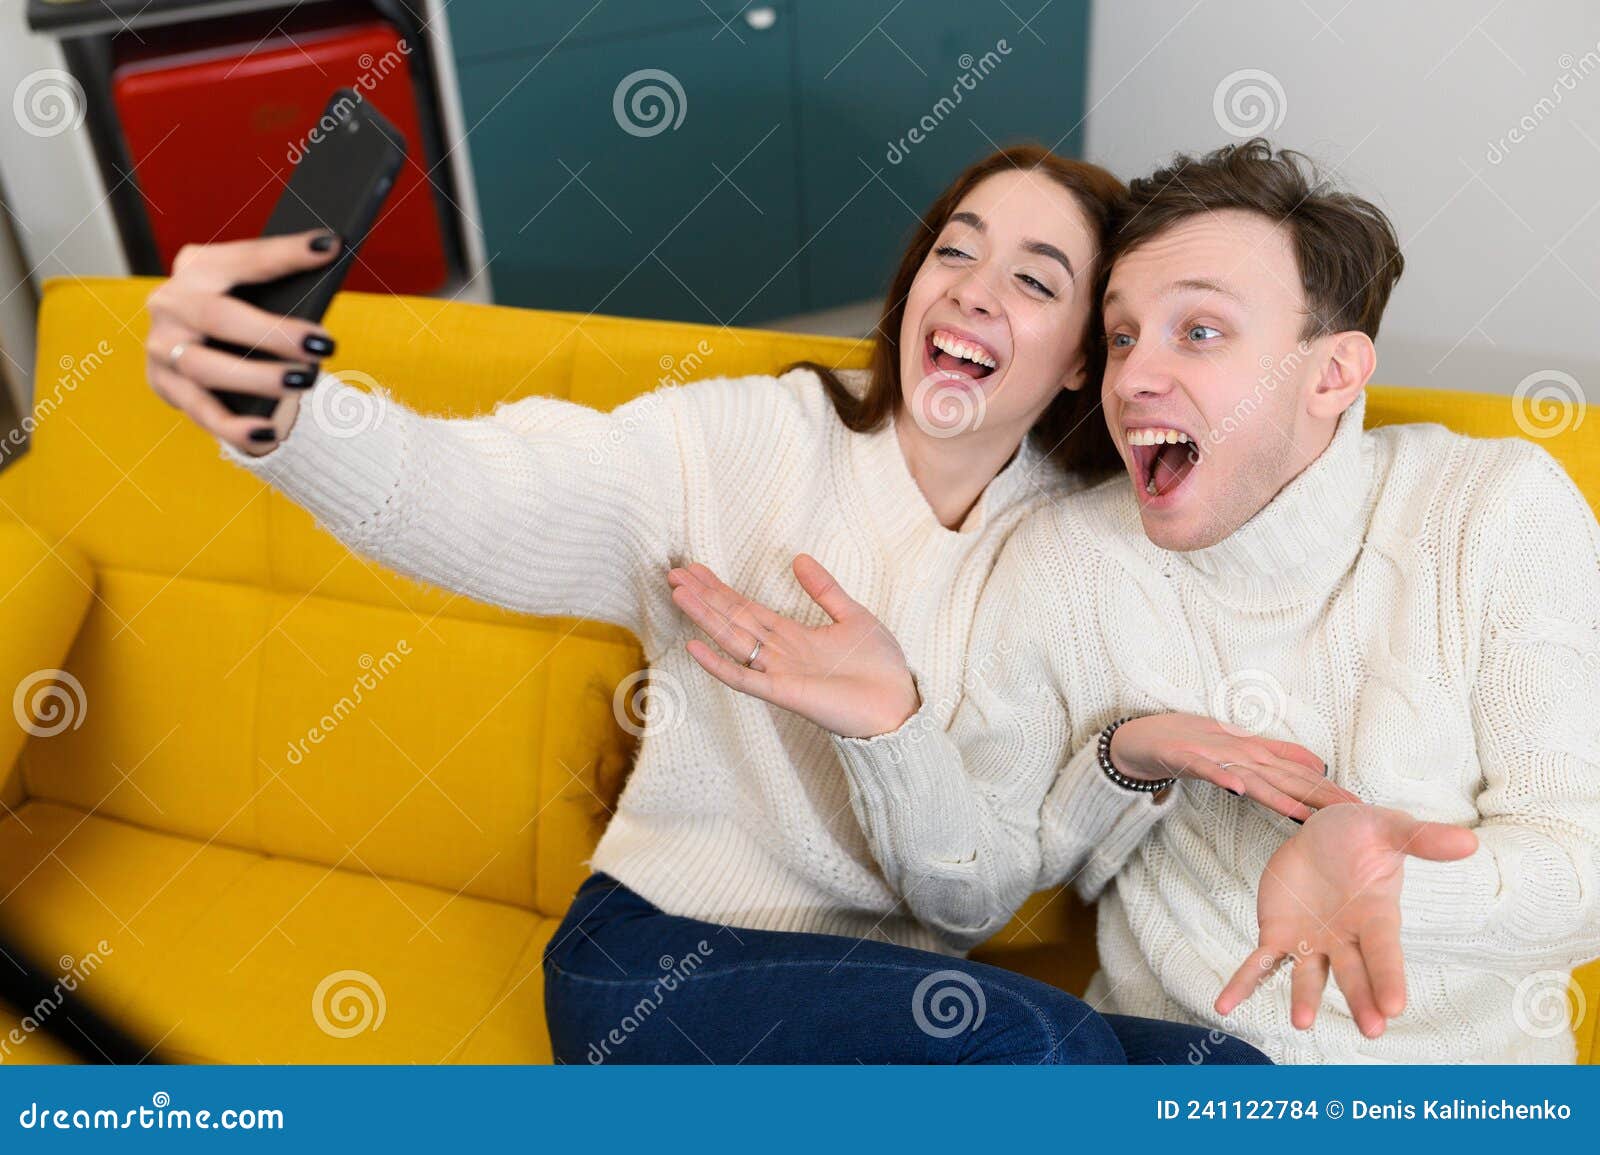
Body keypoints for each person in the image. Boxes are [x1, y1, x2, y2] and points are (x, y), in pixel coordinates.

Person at [143, 145, 1332, 1063]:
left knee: (1229, 1080)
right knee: (1028, 1050)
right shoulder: (747, 437)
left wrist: (888, 724)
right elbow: (486, 494)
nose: (972, 291)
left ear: (1082, 357)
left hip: (890, 1004)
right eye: (954, 251)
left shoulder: (1065, 556)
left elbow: (966, 898)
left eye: (1033, 280)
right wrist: (285, 416)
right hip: (651, 960)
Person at [674, 139, 1600, 1063]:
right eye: (1121, 336)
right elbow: (979, 890)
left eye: (1199, 331)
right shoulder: (1071, 560)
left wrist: (1393, 886)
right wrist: (894, 731)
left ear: (1333, 374)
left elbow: (1582, 855)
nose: (1134, 379)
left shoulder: (1495, 507)